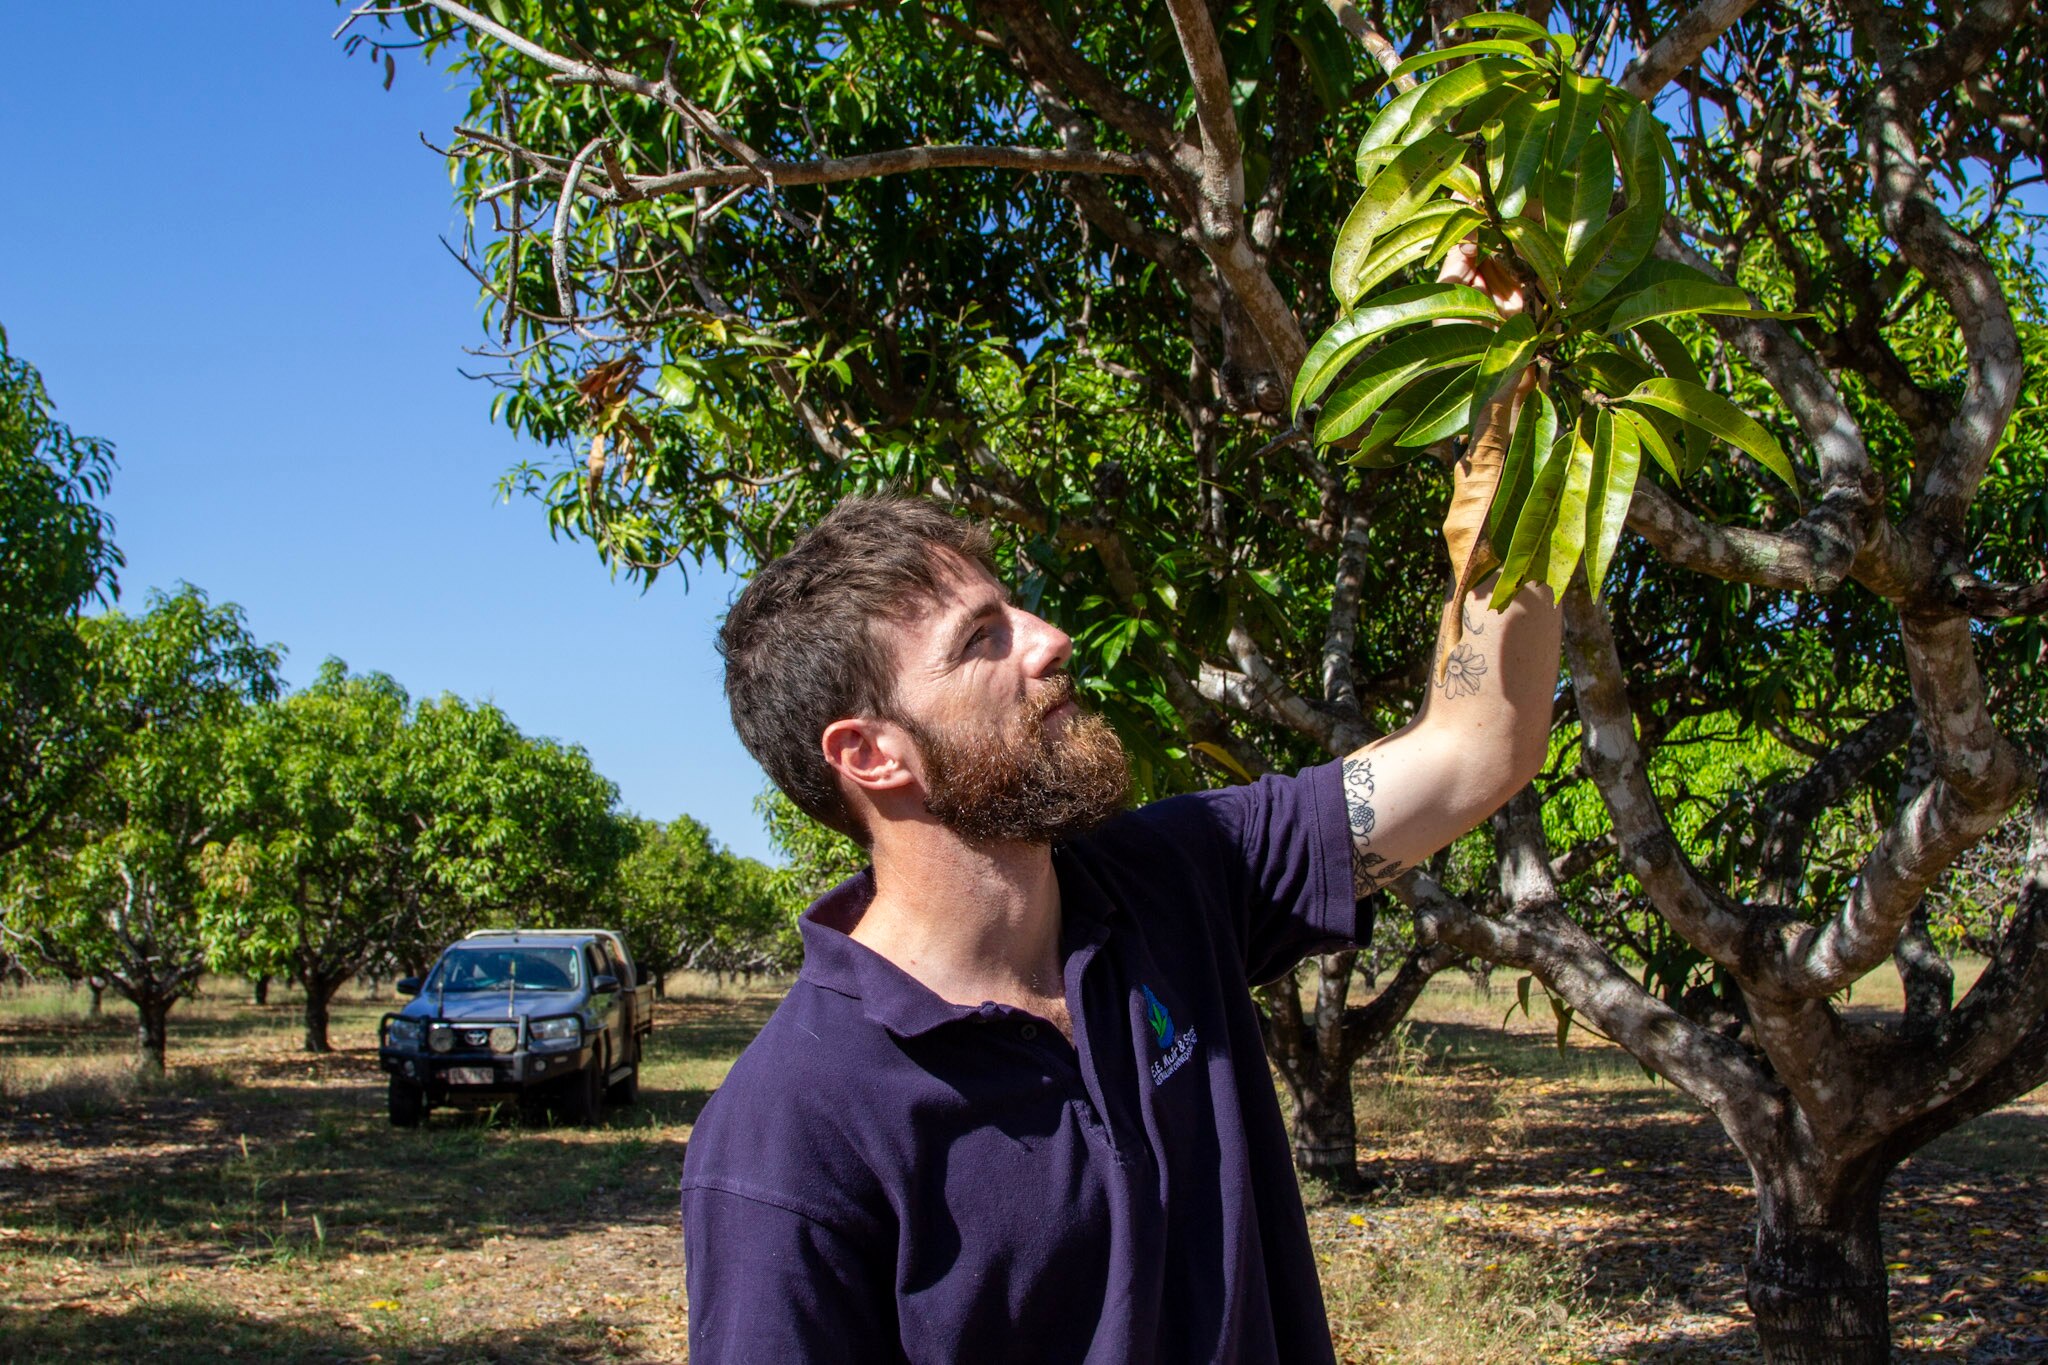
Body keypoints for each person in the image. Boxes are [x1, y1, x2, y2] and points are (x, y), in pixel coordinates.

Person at [679, 475, 1562, 1361]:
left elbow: (1478, 746)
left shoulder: (1179, 873)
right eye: (982, 639)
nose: (1053, 640)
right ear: (870, 753)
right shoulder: (787, 1136)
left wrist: (1519, 447)